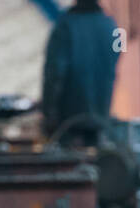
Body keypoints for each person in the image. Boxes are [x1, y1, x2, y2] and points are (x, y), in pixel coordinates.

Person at [41, 0, 120, 145]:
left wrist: (48, 114)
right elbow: (114, 68)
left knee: (68, 164)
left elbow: (54, 74)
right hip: (100, 118)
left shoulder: (65, 26)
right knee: (95, 162)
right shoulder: (111, 27)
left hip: (69, 123)